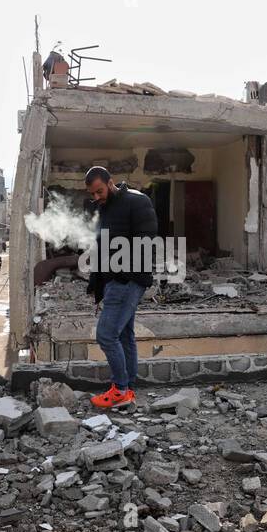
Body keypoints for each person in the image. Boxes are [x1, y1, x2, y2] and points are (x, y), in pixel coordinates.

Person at [84, 165, 158, 409]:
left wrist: (125, 275)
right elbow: (100, 249)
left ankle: (120, 390)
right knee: (124, 334)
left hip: (128, 280)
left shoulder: (137, 202)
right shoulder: (103, 208)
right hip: (113, 282)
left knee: (106, 335)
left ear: (110, 182)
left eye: (99, 191)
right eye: (92, 194)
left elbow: (147, 242)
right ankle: (128, 388)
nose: (96, 197)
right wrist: (97, 287)